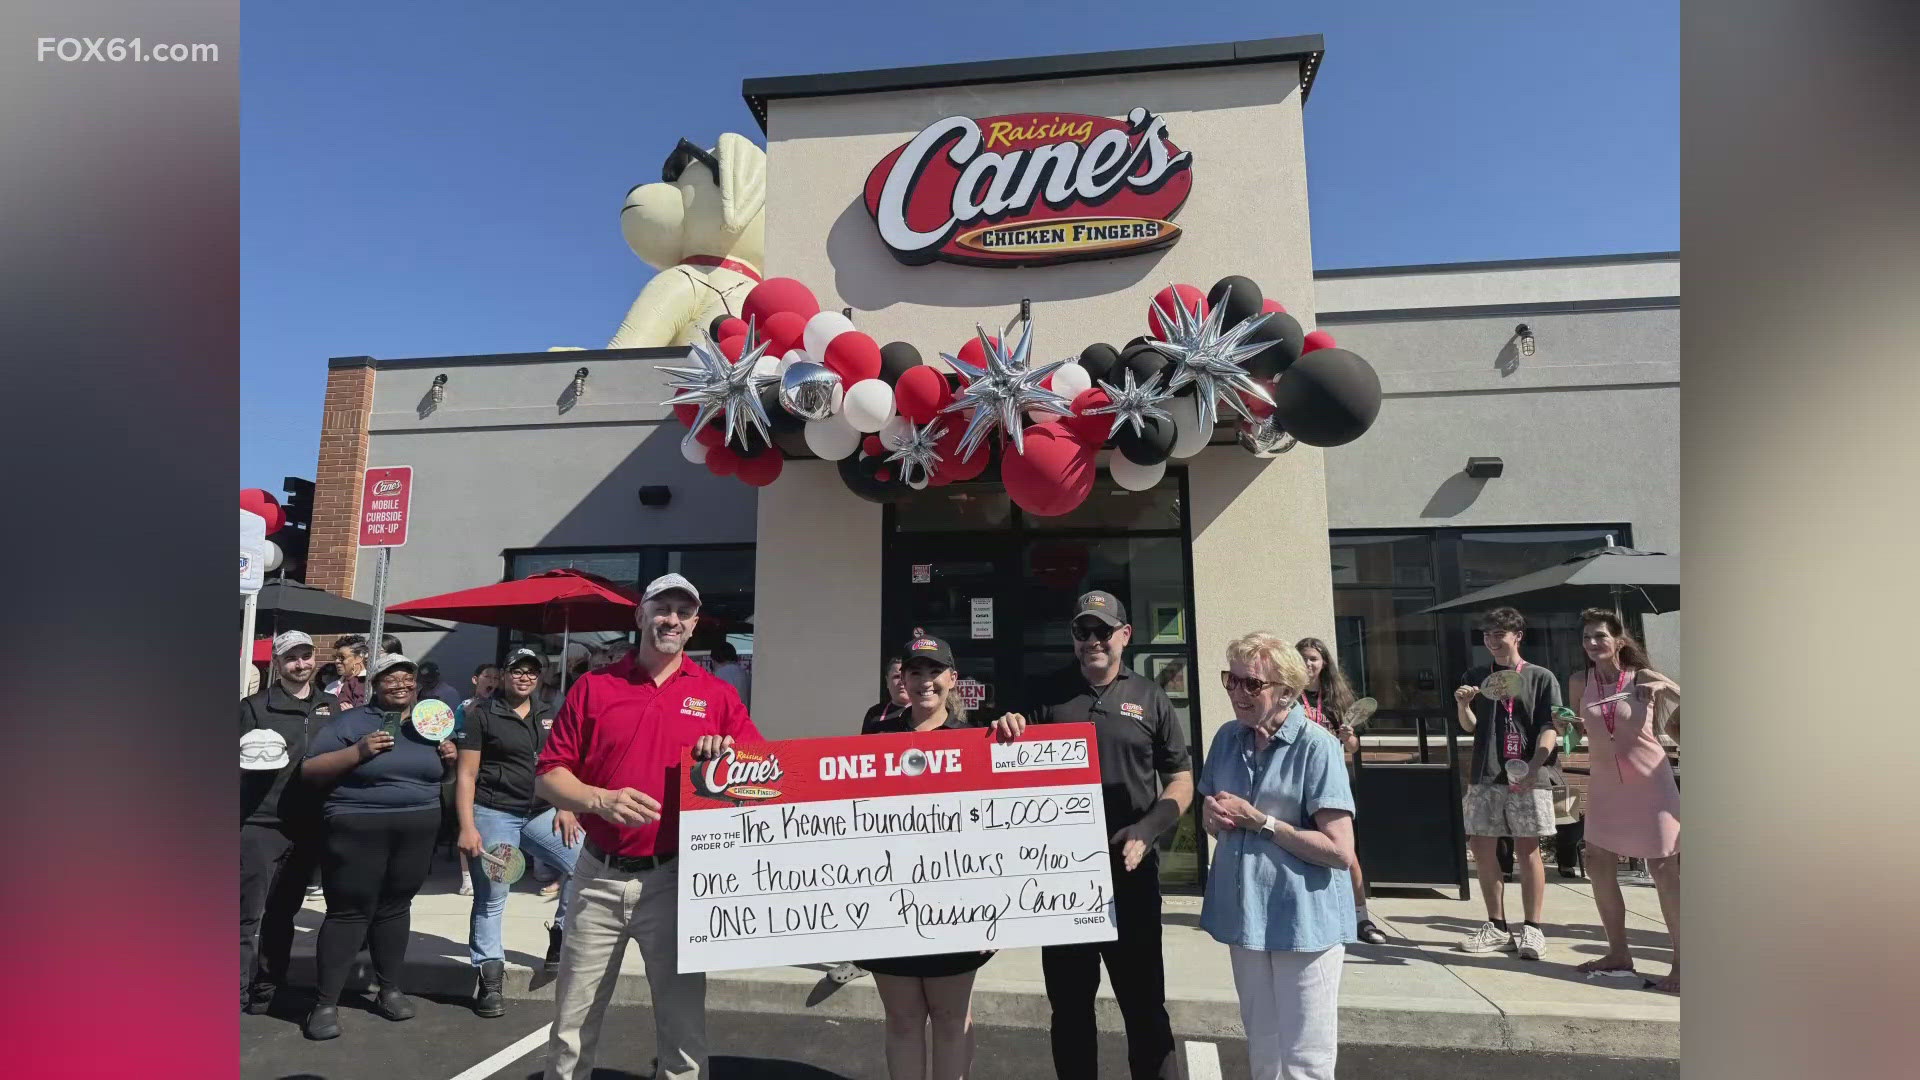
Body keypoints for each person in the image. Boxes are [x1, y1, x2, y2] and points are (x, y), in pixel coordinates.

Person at [534, 573, 763, 1080]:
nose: (672, 620)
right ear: (640, 615)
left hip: (677, 880)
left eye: (684, 612)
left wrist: (729, 756)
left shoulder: (718, 696)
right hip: (597, 878)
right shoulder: (596, 687)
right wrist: (599, 799)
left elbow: (758, 774)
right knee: (572, 1025)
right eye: (663, 608)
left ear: (695, 624)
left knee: (683, 1032)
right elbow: (550, 775)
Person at [994, 591, 1191, 1080]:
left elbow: (1182, 780)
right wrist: (1003, 729)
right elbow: (1002, 775)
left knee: (1145, 1007)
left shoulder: (1150, 697)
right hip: (1063, 883)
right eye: (1083, 632)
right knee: (1070, 1010)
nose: (1092, 641)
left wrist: (1146, 831)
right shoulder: (1042, 694)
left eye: (1103, 631)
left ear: (1125, 635)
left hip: (1131, 876)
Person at [1199, 633, 1356, 1080]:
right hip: (1246, 915)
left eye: (1253, 684)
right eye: (1232, 680)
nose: (1237, 693)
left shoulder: (1317, 746)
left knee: (1306, 1058)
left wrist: (1262, 822)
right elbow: (1214, 819)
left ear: (1287, 690)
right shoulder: (1228, 738)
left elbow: (1340, 852)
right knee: (1263, 1049)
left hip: (1304, 920)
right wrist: (1211, 815)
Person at [855, 633, 993, 1080]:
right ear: (903, 678)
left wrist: (1002, 907)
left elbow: (997, 832)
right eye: (916, 672)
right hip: (889, 905)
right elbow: (852, 822)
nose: (925, 682)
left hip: (956, 908)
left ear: (953, 678)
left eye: (935, 672)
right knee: (903, 1020)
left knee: (952, 1020)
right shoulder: (875, 738)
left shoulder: (978, 742)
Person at [298, 653, 458, 1041]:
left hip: (418, 826)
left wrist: (450, 762)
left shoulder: (431, 724)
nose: (400, 683)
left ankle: (389, 989)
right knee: (349, 911)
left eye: (408, 677)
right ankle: (324, 1003)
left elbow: (446, 781)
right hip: (357, 826)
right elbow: (309, 770)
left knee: (395, 907)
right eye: (390, 677)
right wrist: (358, 752)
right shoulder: (351, 722)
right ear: (375, 683)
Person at [455, 646, 582, 1017]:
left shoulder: (548, 713)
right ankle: (489, 977)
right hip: (494, 813)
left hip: (540, 813)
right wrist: (467, 826)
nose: (524, 677)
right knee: (494, 894)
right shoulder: (479, 713)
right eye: (517, 670)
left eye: (531, 671)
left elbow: (561, 763)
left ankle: (559, 937)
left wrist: (567, 805)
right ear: (504, 674)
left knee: (583, 861)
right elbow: (466, 775)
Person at [1567, 608, 1682, 992]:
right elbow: (1576, 728)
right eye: (1586, 638)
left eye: (1600, 636)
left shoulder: (1641, 676)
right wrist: (1563, 725)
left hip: (1650, 782)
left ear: (1618, 640)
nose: (1592, 643)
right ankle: (1618, 952)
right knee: (1598, 862)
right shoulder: (1578, 680)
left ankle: (1684, 963)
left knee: (1665, 868)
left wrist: (1665, 687)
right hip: (1605, 784)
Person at [1453, 607, 1564, 960]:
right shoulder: (1476, 675)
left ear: (1517, 636)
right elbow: (1471, 726)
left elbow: (1550, 726)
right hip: (1486, 772)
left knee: (1528, 848)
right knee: (1482, 847)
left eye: (1498, 634)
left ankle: (1532, 928)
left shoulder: (1541, 677)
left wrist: (1535, 765)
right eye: (1486, 636)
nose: (1491, 641)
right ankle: (1497, 926)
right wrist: (1464, 705)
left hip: (1528, 774)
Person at [240, 631, 339, 1013]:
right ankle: (237, 990)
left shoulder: (330, 706)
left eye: (306, 656)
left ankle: (268, 987)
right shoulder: (254, 706)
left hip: (309, 824)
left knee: (284, 912)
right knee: (247, 915)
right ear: (277, 665)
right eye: (292, 658)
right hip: (261, 822)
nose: (301, 664)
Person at [1295, 637, 1389, 947]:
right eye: (1304, 658)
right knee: (1301, 847)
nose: (1309, 663)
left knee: (1346, 853)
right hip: (1296, 782)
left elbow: (1353, 747)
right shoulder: (1288, 695)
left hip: (1332, 782)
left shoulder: (1335, 700)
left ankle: (1361, 916)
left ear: (1324, 664)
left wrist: (1348, 737)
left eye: (1314, 659)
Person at [862, 655, 911, 732]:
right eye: (897, 677)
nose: (901, 682)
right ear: (887, 681)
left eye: (906, 676)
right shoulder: (874, 714)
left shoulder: (924, 711)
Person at [328, 636, 370, 708]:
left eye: (342, 657)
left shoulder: (370, 682)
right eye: (335, 658)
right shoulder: (331, 687)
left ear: (359, 658)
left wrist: (352, 713)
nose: (337, 661)